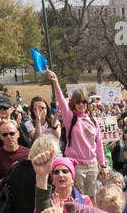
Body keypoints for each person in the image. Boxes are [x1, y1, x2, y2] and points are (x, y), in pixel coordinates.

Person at [45, 70, 106, 199]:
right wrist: (55, 82)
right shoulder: (70, 118)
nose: (81, 105)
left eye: (84, 102)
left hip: (92, 165)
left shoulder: (93, 121)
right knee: (77, 198)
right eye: (78, 102)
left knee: (92, 198)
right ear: (73, 104)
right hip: (76, 164)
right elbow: (61, 101)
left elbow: (99, 144)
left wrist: (103, 165)